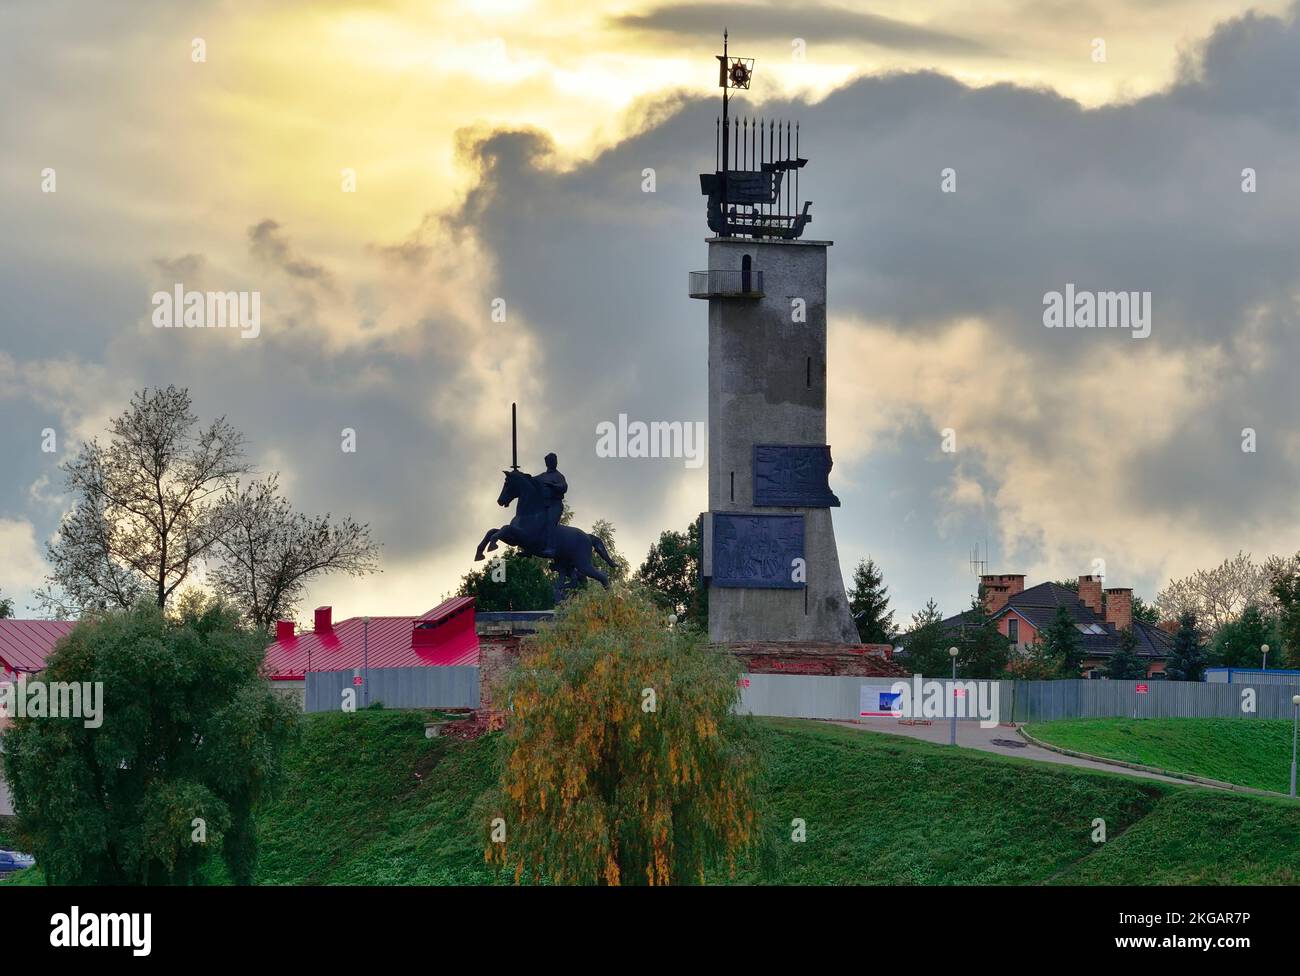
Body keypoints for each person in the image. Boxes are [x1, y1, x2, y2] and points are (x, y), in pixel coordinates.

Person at [535, 452, 567, 558]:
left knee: (550, 522)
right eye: (551, 461)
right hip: (542, 505)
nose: (554, 463)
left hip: (554, 505)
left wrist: (554, 486)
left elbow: (564, 487)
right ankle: (530, 547)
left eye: (554, 461)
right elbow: (531, 481)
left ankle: (551, 547)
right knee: (533, 521)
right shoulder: (542, 476)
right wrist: (518, 474)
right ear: (546, 463)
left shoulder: (559, 476)